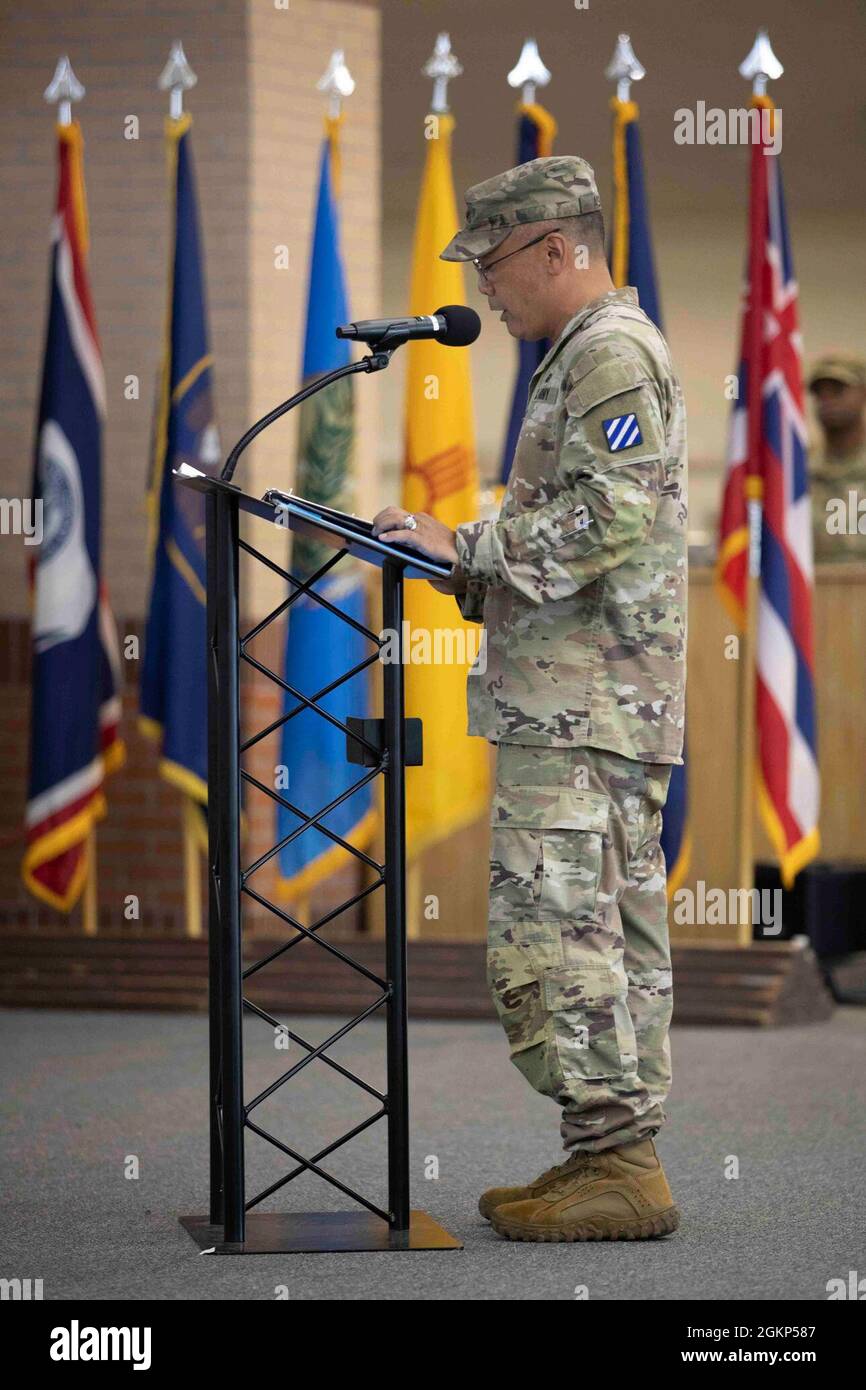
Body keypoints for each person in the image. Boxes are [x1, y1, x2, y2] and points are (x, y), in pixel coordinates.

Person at [372, 156, 687, 1242]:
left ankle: (617, 1165)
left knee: (557, 935)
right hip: (586, 703)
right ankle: (607, 1152)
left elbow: (610, 520)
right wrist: (467, 555)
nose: (483, 288)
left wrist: (461, 543)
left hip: (585, 708)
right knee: (597, 930)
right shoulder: (582, 352)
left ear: (558, 248)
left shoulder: (604, 353)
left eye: (495, 263)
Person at [807, 355, 866, 564]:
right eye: (819, 394)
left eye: (837, 391)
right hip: (816, 590)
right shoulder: (800, 471)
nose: (827, 401)